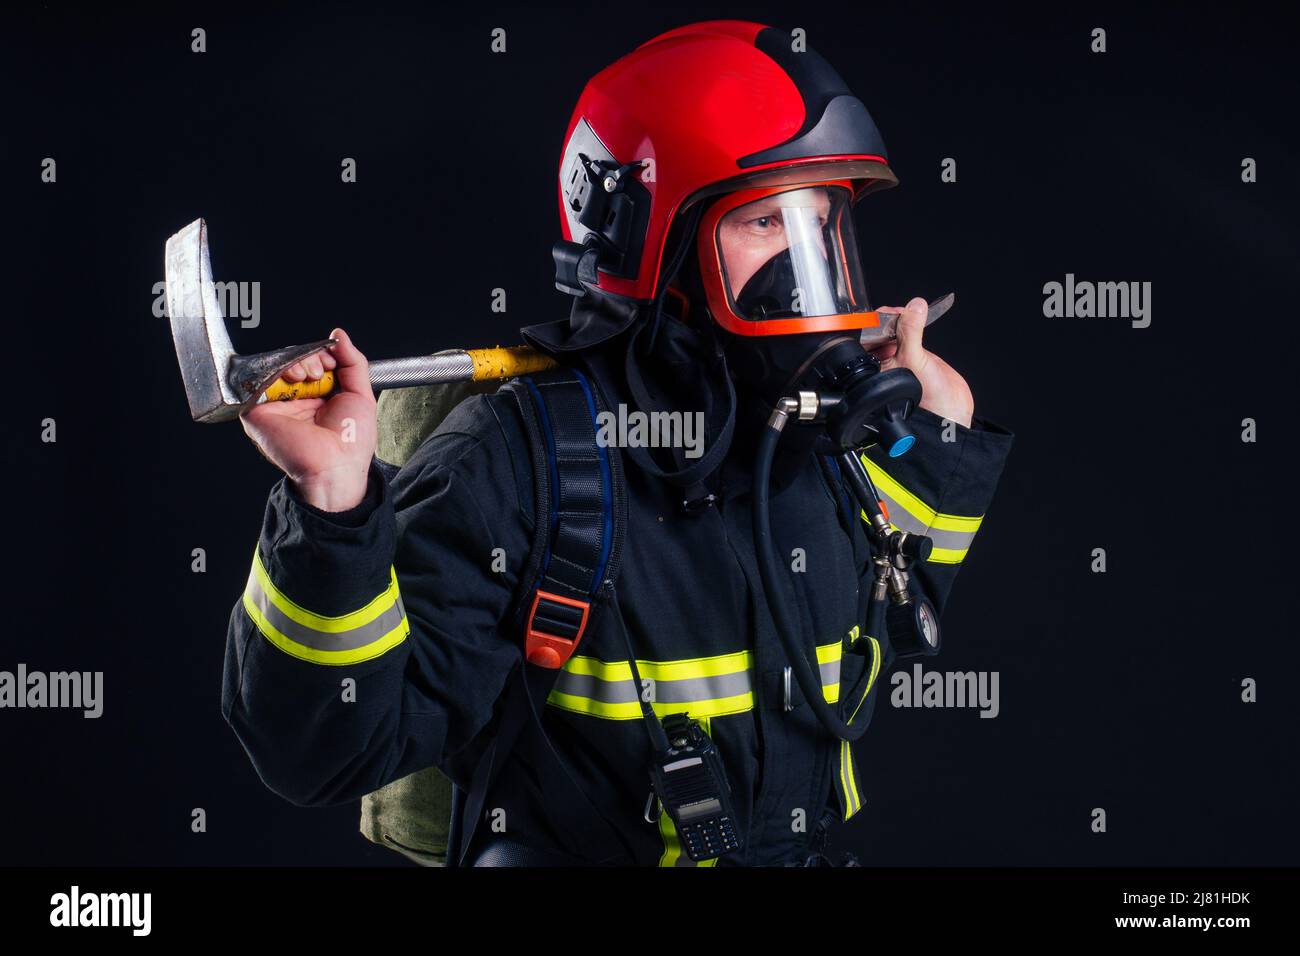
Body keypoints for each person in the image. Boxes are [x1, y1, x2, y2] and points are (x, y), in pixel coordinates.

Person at [223, 19, 1013, 866]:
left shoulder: (817, 443)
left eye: (823, 222)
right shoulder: (520, 463)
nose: (807, 261)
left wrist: (933, 446)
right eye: (765, 223)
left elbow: (891, 618)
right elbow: (325, 751)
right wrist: (333, 511)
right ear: (654, 245)